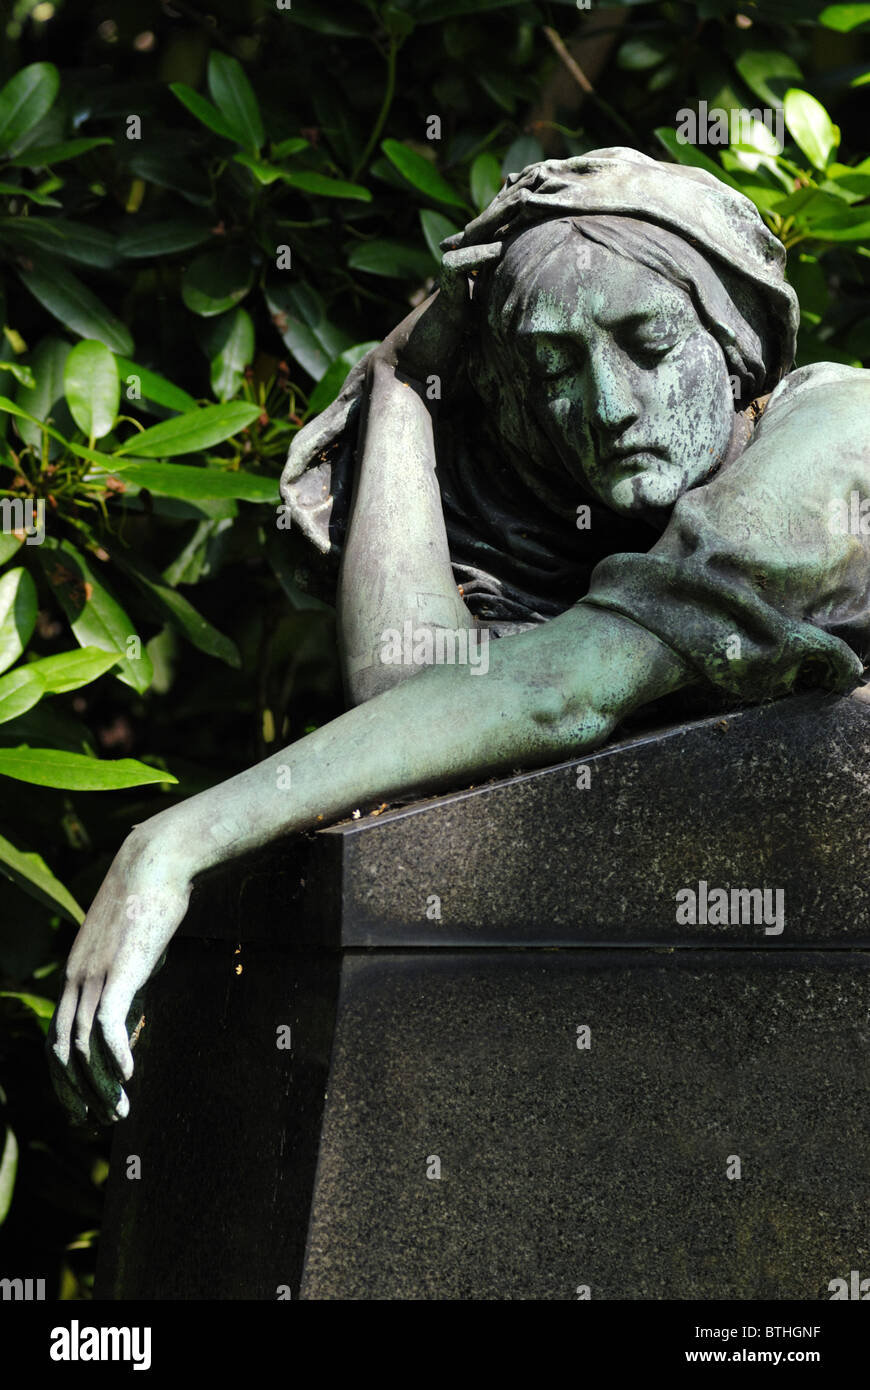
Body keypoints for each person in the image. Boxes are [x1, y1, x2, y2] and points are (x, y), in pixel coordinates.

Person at [49, 147, 870, 1125]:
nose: (607, 406)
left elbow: (563, 690)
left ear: (732, 339)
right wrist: (403, 379)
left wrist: (175, 838)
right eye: (554, 367)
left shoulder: (835, 446)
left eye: (645, 341)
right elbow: (412, 697)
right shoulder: (611, 545)